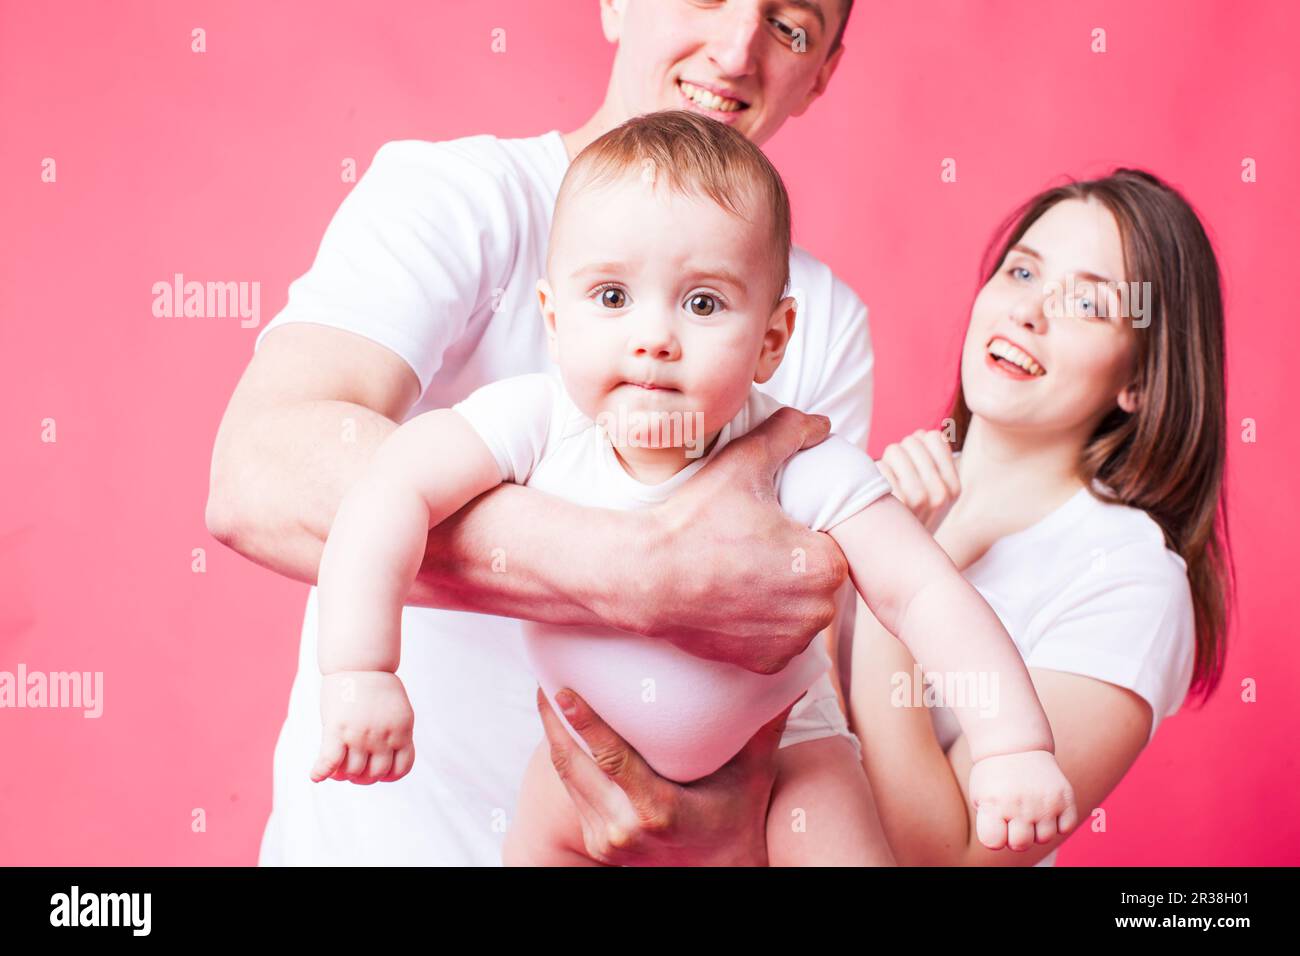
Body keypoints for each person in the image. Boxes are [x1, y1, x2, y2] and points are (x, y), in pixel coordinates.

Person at [306, 111, 1078, 866]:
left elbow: (923, 593)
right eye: (611, 297)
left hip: (786, 759)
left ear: (773, 340)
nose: (653, 337)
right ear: (552, 318)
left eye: (702, 303)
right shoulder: (533, 423)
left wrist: (1012, 744)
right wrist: (361, 669)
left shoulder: (799, 459)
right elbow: (389, 493)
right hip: (577, 757)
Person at [205, 0, 872, 865]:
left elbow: (799, 641)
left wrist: (737, 832)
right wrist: (640, 571)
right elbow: (260, 471)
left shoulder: (822, 322)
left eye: (790, 25)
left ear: (822, 73)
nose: (738, 48)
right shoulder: (459, 200)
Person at [847, 169, 1233, 865]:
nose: (1029, 312)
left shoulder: (1131, 579)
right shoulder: (883, 479)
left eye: (1088, 303)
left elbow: (949, 859)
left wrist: (894, 590)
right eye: (1022, 272)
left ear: (1140, 381)